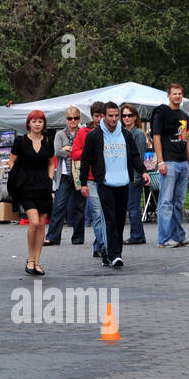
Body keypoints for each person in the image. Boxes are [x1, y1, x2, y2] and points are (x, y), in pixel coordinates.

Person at [79, 101, 150, 269]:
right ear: (103, 116)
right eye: (110, 116)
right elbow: (85, 160)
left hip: (123, 182)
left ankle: (110, 254)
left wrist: (143, 171)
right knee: (109, 220)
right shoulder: (94, 136)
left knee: (119, 220)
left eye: (116, 115)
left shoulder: (125, 134)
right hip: (105, 183)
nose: (114, 119)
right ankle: (114, 255)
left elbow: (134, 155)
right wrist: (83, 183)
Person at [8, 111, 54, 276]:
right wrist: (18, 177)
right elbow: (11, 161)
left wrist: (50, 178)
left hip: (43, 186)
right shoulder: (20, 141)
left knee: (42, 225)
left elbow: (50, 163)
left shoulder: (48, 141)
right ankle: (30, 258)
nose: (37, 124)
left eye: (40, 121)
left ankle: (37, 261)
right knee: (33, 222)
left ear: (44, 124)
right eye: (34, 121)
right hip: (26, 186)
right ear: (28, 123)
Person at [151, 81, 189, 248]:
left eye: (179, 93)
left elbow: (188, 139)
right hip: (168, 162)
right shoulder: (162, 113)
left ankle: (178, 236)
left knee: (179, 202)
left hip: (183, 163)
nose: (177, 96)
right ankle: (164, 239)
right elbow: (156, 137)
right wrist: (160, 161)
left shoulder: (184, 116)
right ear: (168, 95)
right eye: (174, 93)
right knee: (165, 202)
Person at [43, 106, 85, 246]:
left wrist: (69, 149)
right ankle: (53, 237)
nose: (73, 121)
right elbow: (56, 152)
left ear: (79, 119)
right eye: (70, 118)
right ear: (66, 119)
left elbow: (85, 152)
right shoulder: (60, 134)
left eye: (76, 118)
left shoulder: (83, 133)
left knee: (79, 207)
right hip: (65, 174)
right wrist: (75, 151)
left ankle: (78, 237)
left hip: (79, 175)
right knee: (59, 205)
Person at [71, 102, 108, 261]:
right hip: (91, 179)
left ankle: (98, 246)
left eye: (102, 116)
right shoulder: (83, 132)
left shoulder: (112, 132)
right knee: (97, 214)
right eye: (96, 116)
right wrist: (89, 151)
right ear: (92, 116)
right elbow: (74, 154)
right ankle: (105, 247)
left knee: (106, 215)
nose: (99, 119)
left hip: (108, 179)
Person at [120, 104, 149, 246]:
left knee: (133, 207)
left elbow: (139, 157)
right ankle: (138, 235)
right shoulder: (122, 132)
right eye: (124, 115)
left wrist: (138, 177)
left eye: (129, 115)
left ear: (135, 117)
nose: (126, 118)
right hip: (123, 176)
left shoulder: (138, 134)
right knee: (130, 207)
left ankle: (137, 235)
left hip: (135, 176)